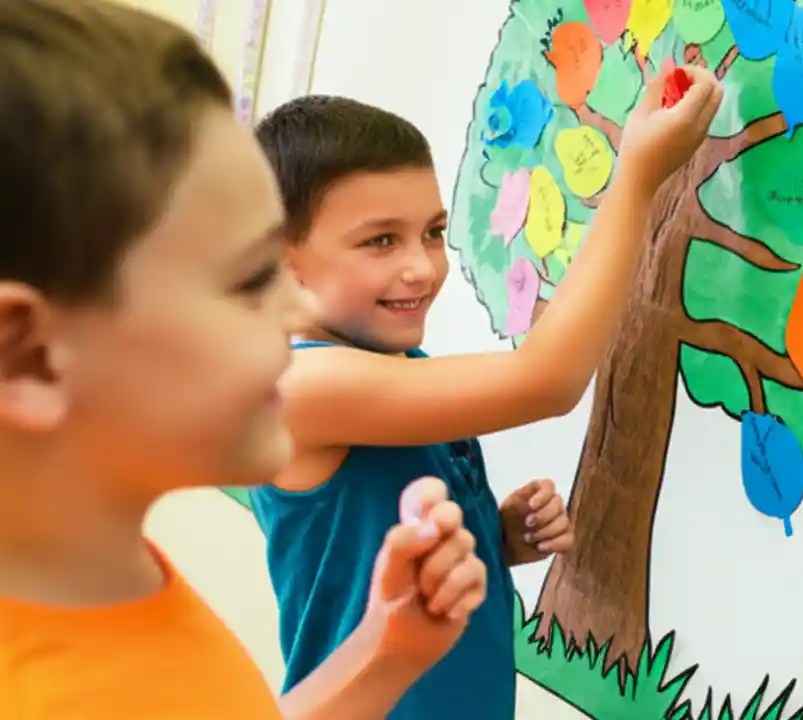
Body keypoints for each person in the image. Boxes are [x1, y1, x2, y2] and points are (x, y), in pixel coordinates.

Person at [0, 2, 486, 717]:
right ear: (33, 358)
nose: (296, 315)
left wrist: (388, 649)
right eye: (254, 279)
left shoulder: (102, 591)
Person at [249, 69, 723, 718]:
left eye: (434, 232)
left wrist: (493, 538)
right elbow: (547, 381)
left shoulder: (393, 363)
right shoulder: (299, 385)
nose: (422, 266)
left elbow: (369, 546)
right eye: (381, 240)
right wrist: (638, 176)